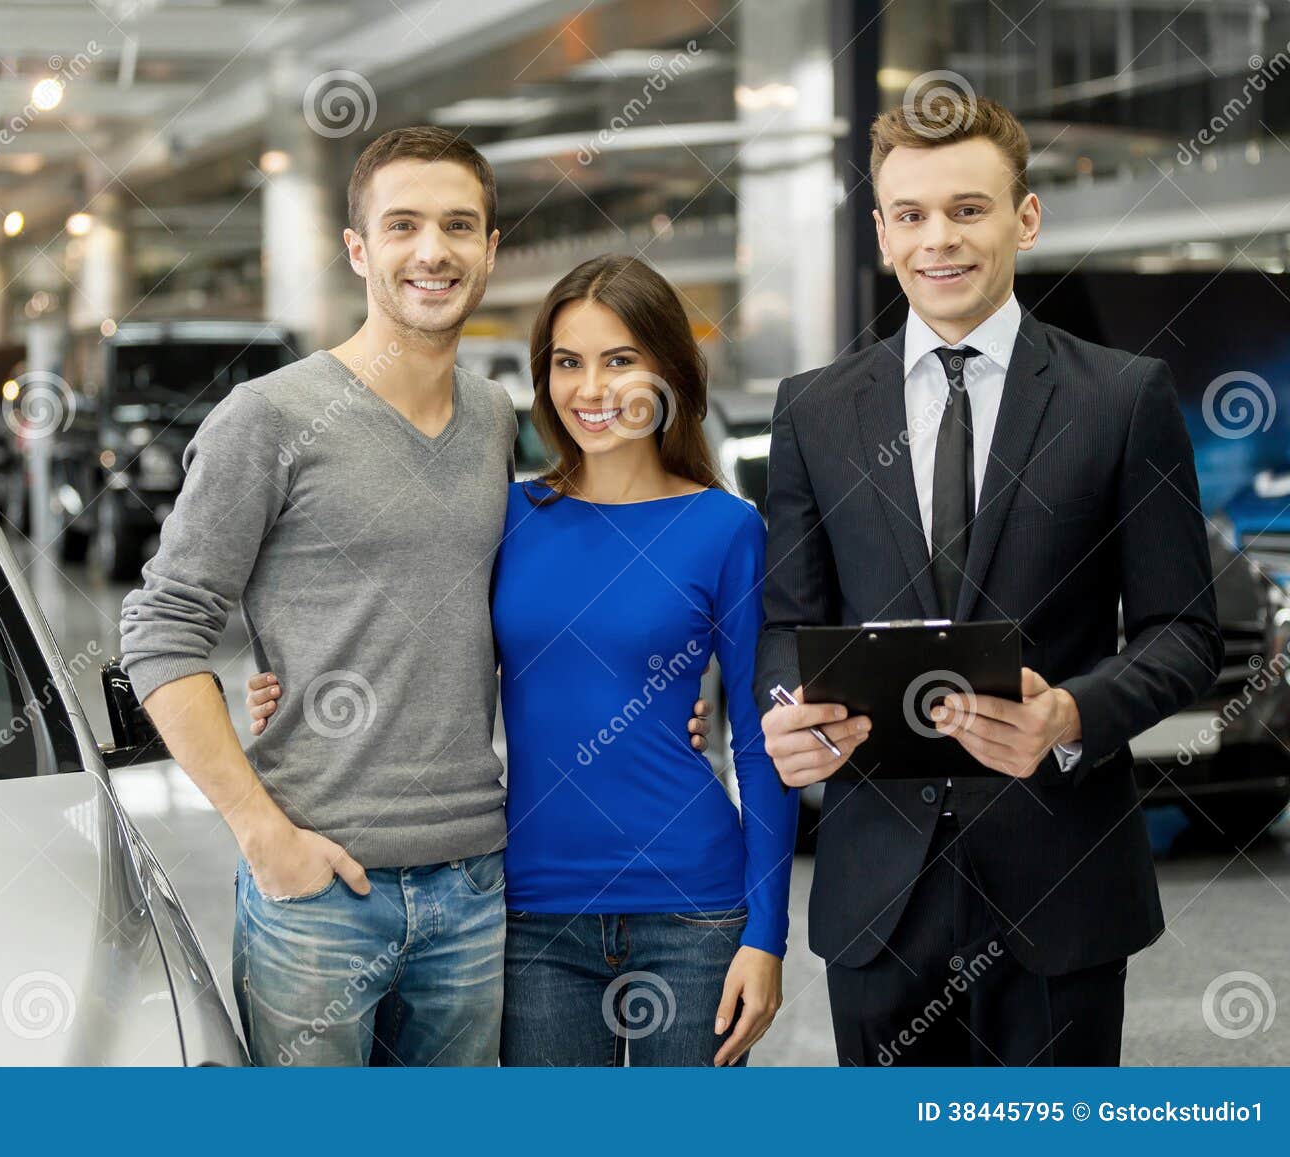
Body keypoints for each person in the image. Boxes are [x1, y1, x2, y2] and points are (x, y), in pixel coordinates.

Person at [119, 127, 707, 1068]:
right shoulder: (266, 418)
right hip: (319, 890)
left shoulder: (492, 419)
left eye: (457, 226)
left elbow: (531, 594)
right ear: (359, 249)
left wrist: (663, 688)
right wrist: (262, 832)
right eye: (402, 225)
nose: (432, 251)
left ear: (489, 249)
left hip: (476, 884)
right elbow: (159, 627)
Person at [755, 94, 1222, 1066]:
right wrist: (784, 707)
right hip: (877, 891)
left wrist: (1069, 714)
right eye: (912, 214)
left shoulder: (1121, 398)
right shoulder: (814, 412)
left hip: (1063, 882)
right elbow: (787, 622)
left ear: (1025, 216)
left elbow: (1184, 635)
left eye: (967, 209)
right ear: (881, 232)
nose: (940, 239)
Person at [255, 255, 796, 1066]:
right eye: (568, 362)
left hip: (695, 907)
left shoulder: (726, 527)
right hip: (534, 910)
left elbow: (758, 741)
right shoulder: (508, 514)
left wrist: (768, 932)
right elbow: (409, 635)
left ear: (668, 370)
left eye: (620, 360)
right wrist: (295, 688)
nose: (591, 388)